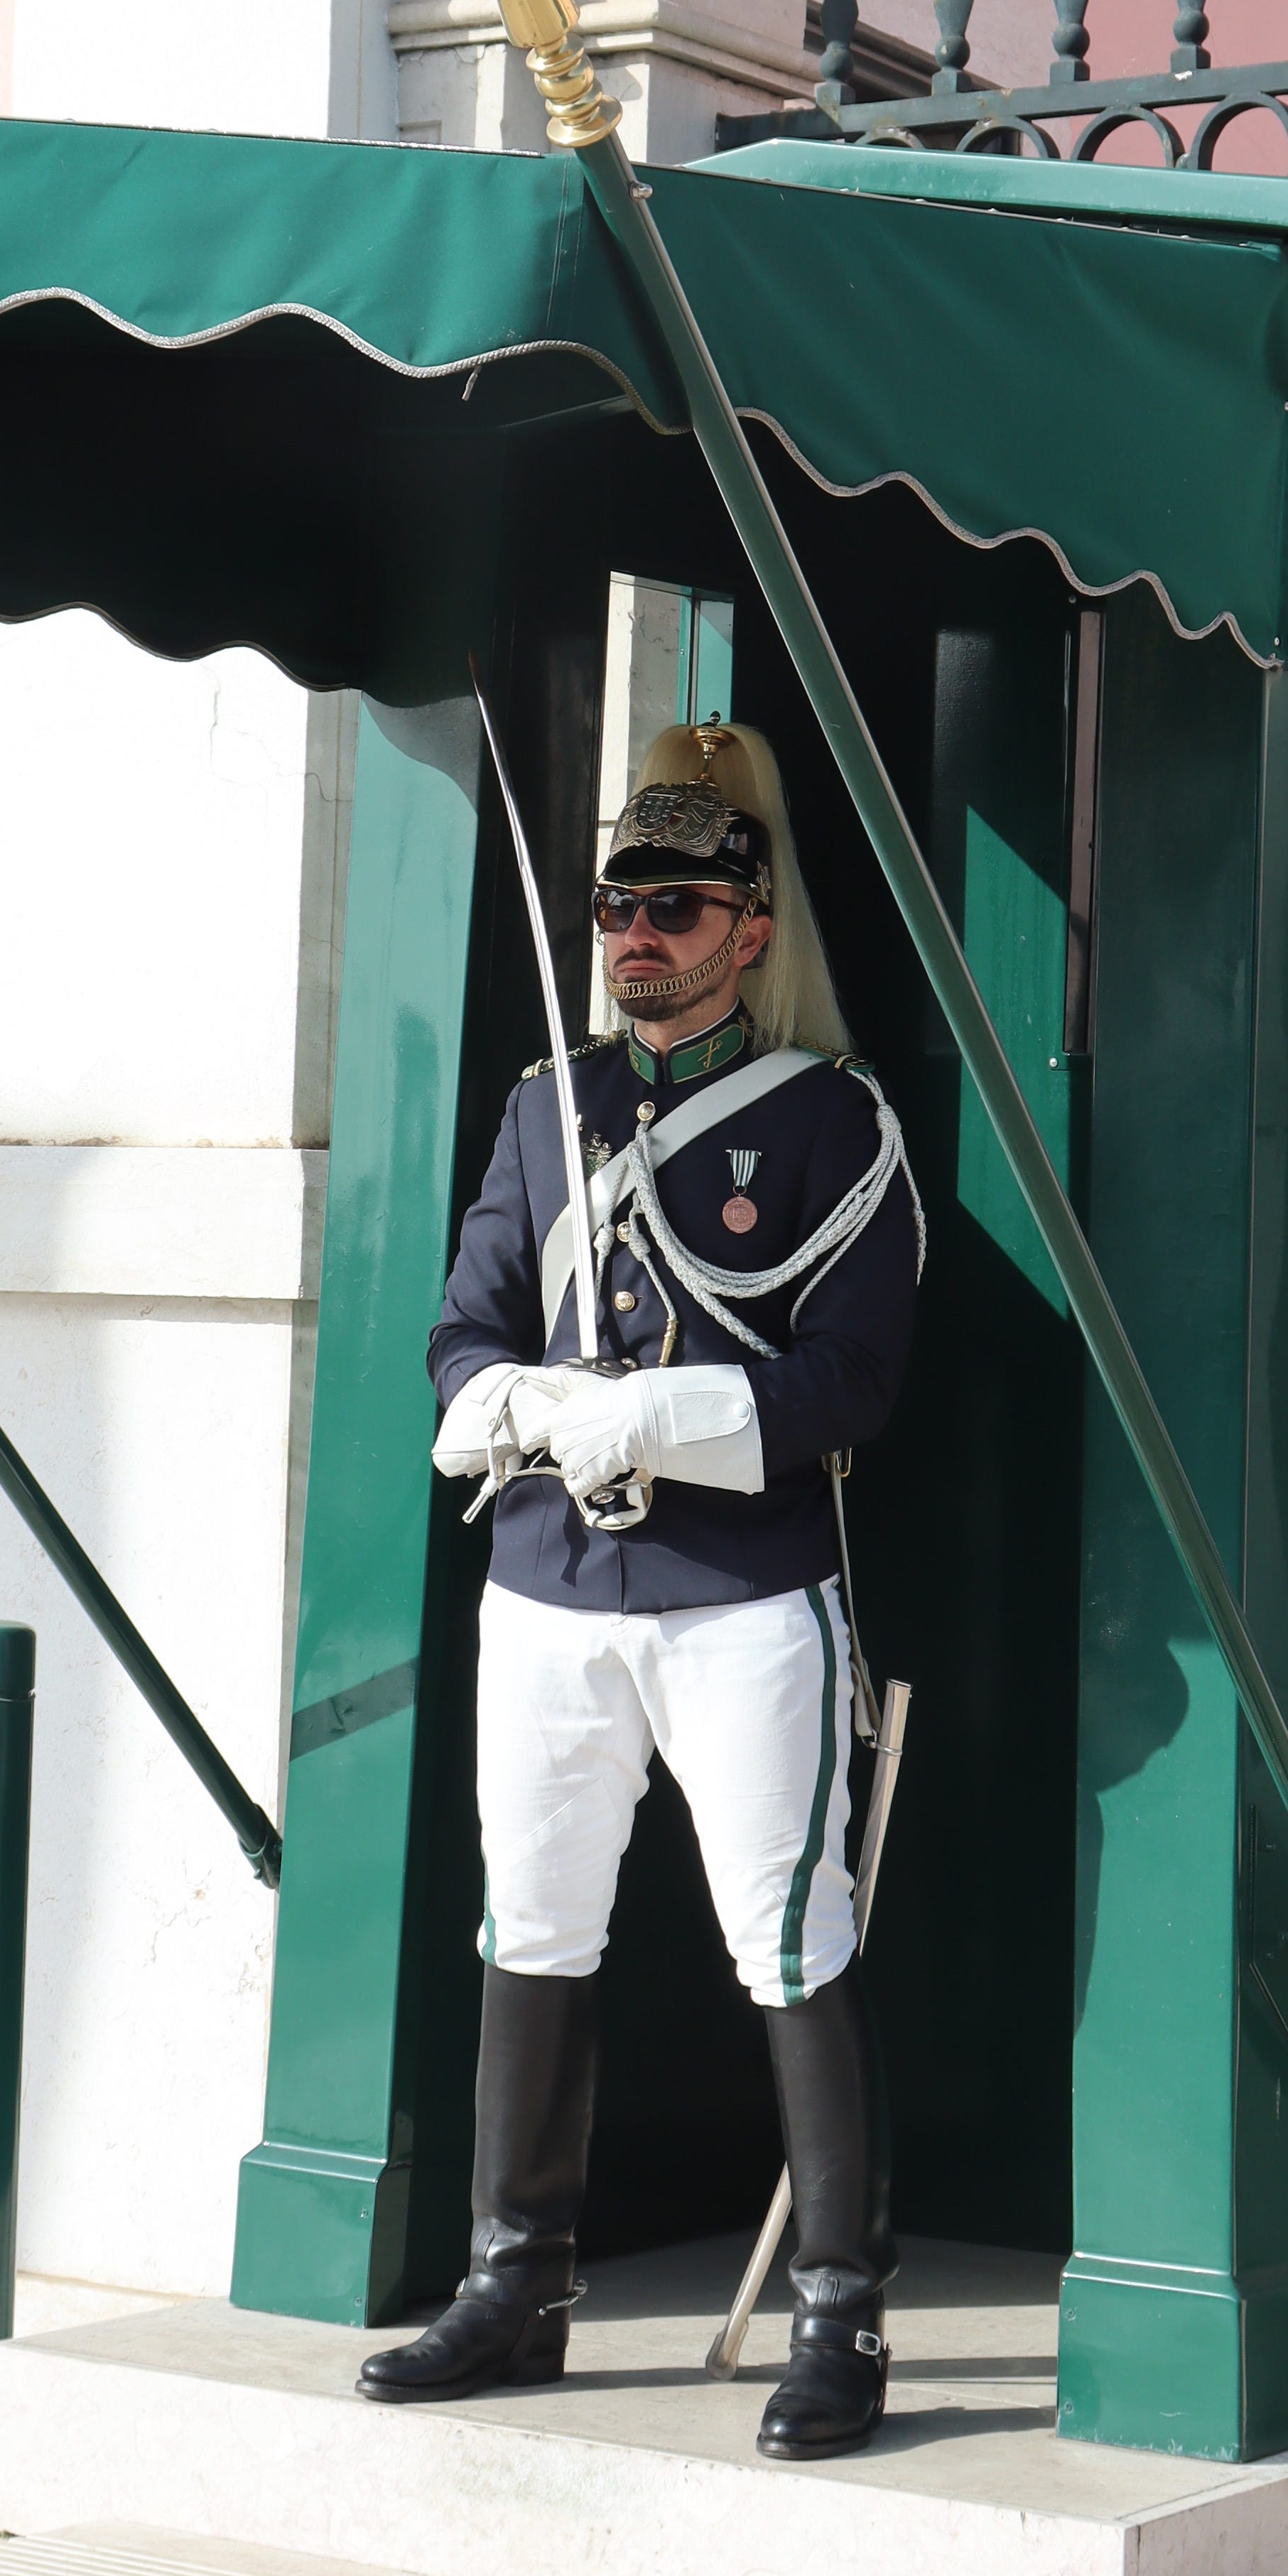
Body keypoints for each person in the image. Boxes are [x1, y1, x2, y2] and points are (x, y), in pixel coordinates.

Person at [358, 718, 922, 2459]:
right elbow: (461, 1326)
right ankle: (514, 2281)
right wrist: (508, 1404)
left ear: (750, 931)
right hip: (544, 1587)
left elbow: (850, 1383)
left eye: (676, 906)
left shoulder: (834, 1123)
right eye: (619, 904)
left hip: (738, 1590)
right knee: (528, 1926)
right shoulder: (547, 1109)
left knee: (786, 1932)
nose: (635, 937)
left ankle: (840, 2313)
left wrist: (656, 1416)